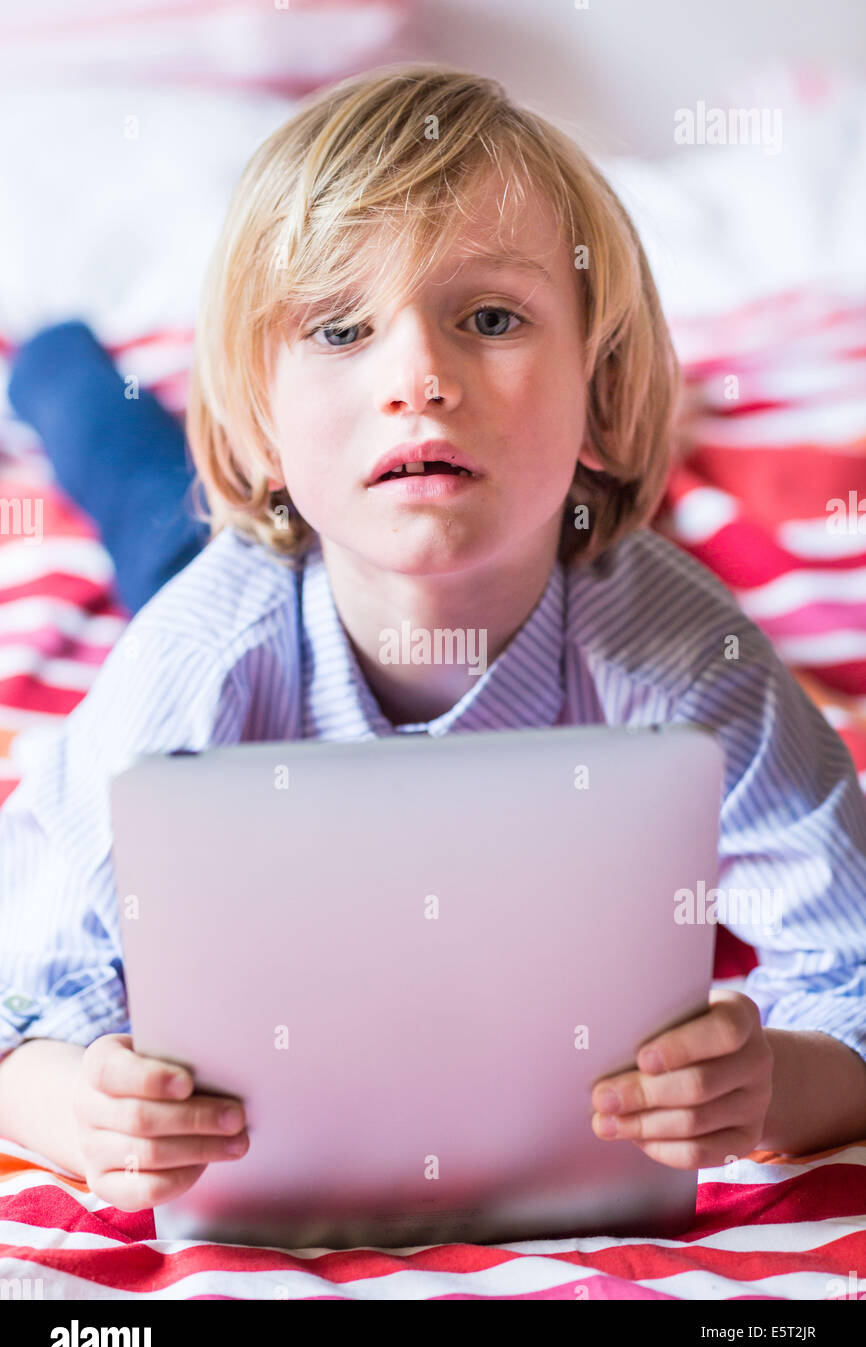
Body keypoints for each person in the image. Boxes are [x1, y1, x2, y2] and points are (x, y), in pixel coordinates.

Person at [1, 63, 865, 1218]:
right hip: (241, 561)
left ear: (602, 399)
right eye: (341, 329)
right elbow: (23, 997)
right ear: (260, 428)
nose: (416, 377)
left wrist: (772, 1087)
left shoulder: (678, 664)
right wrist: (78, 1103)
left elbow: (848, 973)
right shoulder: (197, 666)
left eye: (491, 319)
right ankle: (57, 355)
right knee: (139, 490)